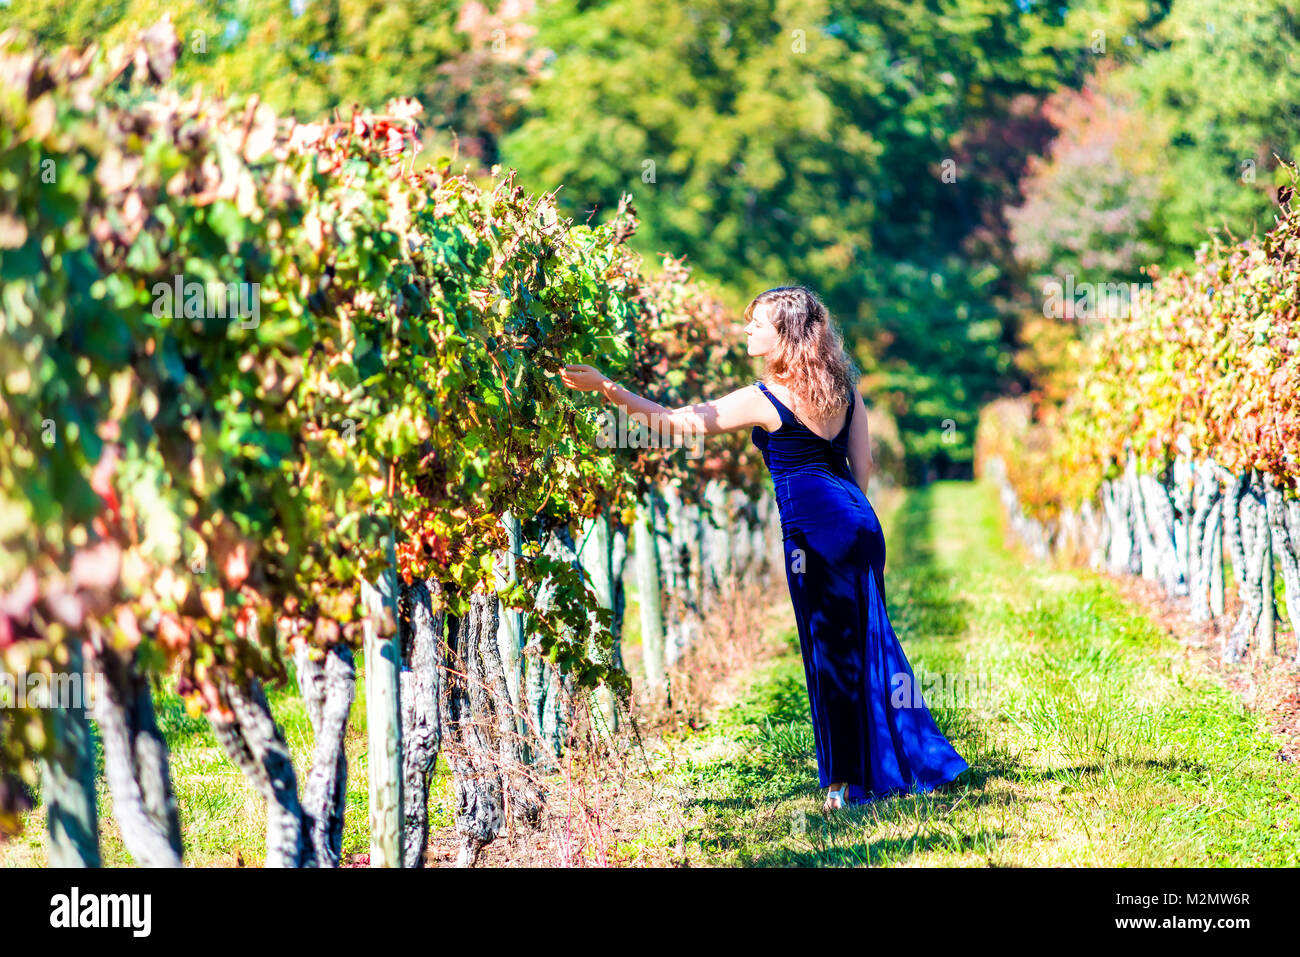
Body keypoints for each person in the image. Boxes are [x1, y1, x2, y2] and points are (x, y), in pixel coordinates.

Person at [559, 285, 969, 811]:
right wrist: (844, 521)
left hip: (815, 530)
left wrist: (608, 388)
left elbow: (676, 424)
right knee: (869, 643)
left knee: (830, 652)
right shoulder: (843, 386)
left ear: (786, 336)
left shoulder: (763, 397)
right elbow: (861, 469)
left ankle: (848, 785)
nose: (746, 330)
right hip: (858, 522)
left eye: (758, 325)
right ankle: (891, 765)